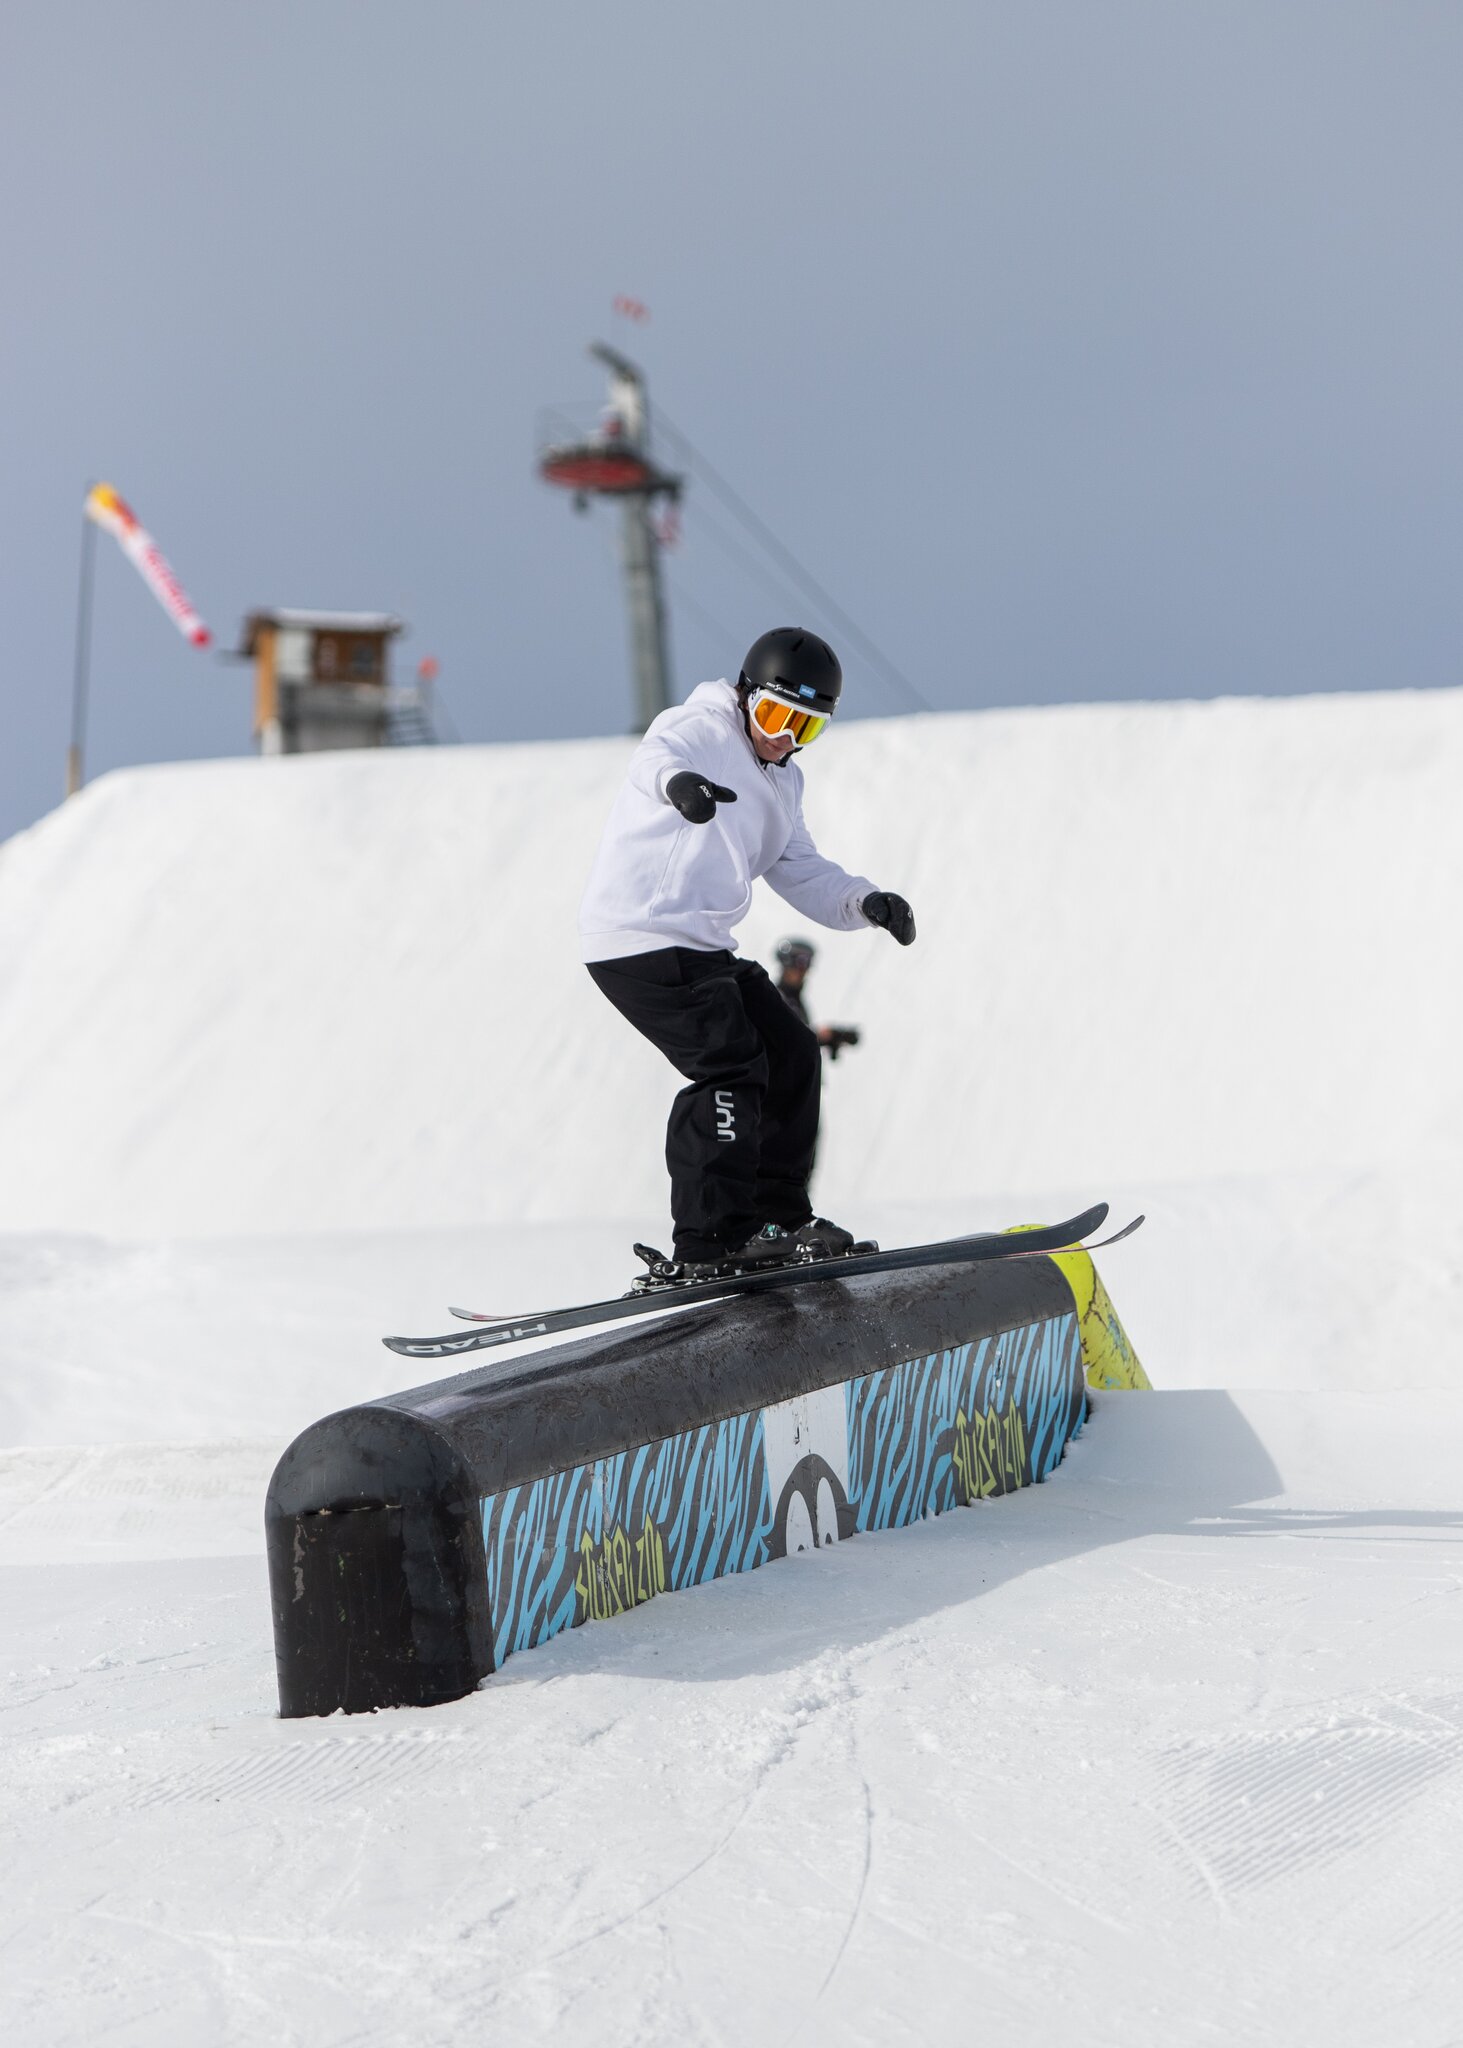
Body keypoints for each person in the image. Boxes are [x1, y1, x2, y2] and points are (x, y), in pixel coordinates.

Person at [579, 627, 915, 1279]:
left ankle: (778, 1219)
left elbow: (801, 870)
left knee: (789, 1050)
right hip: (639, 938)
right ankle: (709, 1239)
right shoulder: (703, 728)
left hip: (700, 946)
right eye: (775, 716)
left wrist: (866, 903)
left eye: (805, 729)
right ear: (745, 696)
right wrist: (681, 786)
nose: (784, 738)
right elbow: (654, 756)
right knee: (729, 1067)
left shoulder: (782, 783)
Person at [773, 936, 860, 1061]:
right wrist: (824, 1036)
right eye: (800, 962)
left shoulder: (794, 999)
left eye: (807, 963)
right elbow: (788, 1038)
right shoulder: (778, 999)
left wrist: (825, 1038)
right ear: (786, 963)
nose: (804, 971)